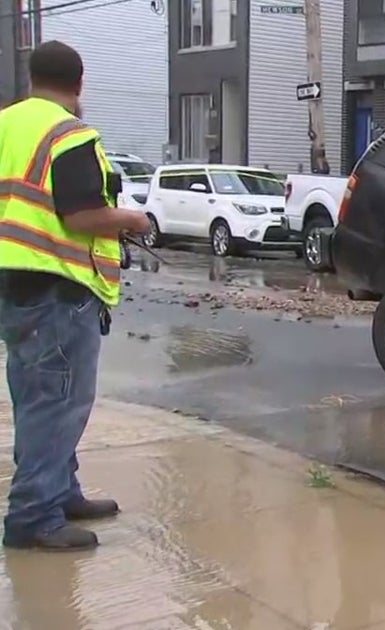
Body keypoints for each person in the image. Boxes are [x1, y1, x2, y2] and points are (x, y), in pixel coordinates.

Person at [0, 41, 150, 551]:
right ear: (79, 83)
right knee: (58, 404)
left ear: (31, 78)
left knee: (36, 397)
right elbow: (82, 213)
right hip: (58, 286)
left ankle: (60, 492)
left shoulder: (7, 124)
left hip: (15, 283)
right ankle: (34, 516)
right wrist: (133, 219)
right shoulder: (69, 133)